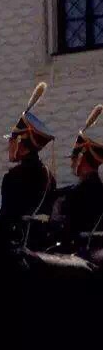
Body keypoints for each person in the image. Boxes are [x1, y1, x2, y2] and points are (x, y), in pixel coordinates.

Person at [0, 81, 57, 249]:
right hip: (44, 245)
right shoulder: (49, 176)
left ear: (21, 145)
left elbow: (7, 219)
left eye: (11, 141)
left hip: (21, 245)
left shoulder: (13, 176)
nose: (8, 146)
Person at [56, 104, 103, 258]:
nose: (71, 163)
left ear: (81, 159)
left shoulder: (76, 195)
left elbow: (67, 233)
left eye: (74, 159)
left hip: (82, 255)